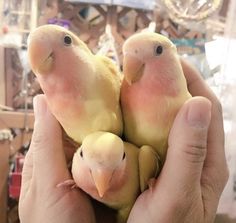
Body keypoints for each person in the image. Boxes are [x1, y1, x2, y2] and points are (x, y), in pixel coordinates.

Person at [18, 60, 229, 223]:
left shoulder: (142, 159)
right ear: (78, 152)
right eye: (82, 156)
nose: (101, 176)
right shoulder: (75, 160)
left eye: (117, 160)